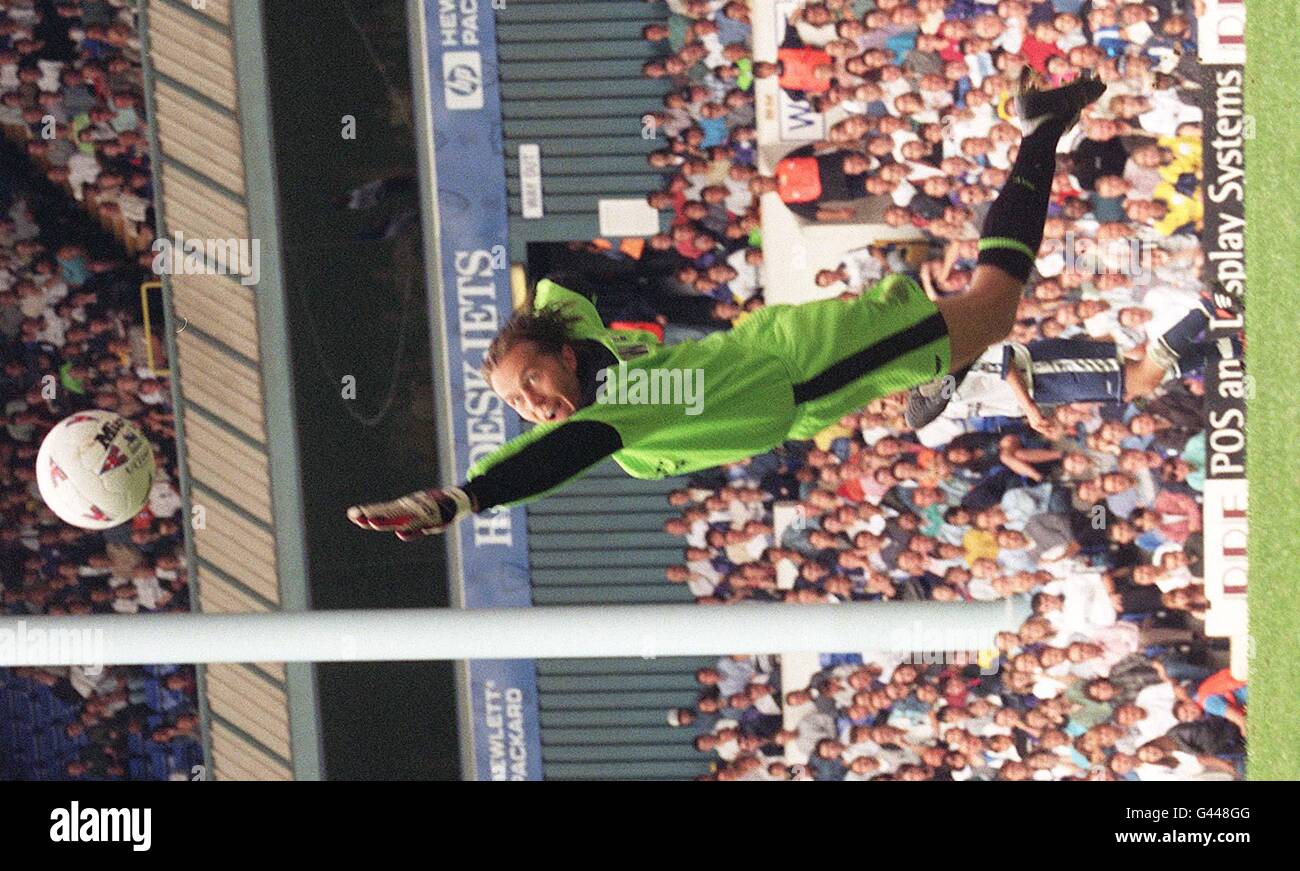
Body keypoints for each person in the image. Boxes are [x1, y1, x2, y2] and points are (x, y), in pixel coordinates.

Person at [347, 75, 1108, 540]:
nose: (531, 405)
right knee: (970, 330)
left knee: (992, 309)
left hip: (810, 365)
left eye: (531, 382)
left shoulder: (618, 406)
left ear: (566, 358)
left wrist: (464, 496)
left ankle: (1040, 130)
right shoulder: (584, 349)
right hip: (799, 388)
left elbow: (558, 454)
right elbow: (555, 295)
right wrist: (537, 337)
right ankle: (947, 362)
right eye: (516, 402)